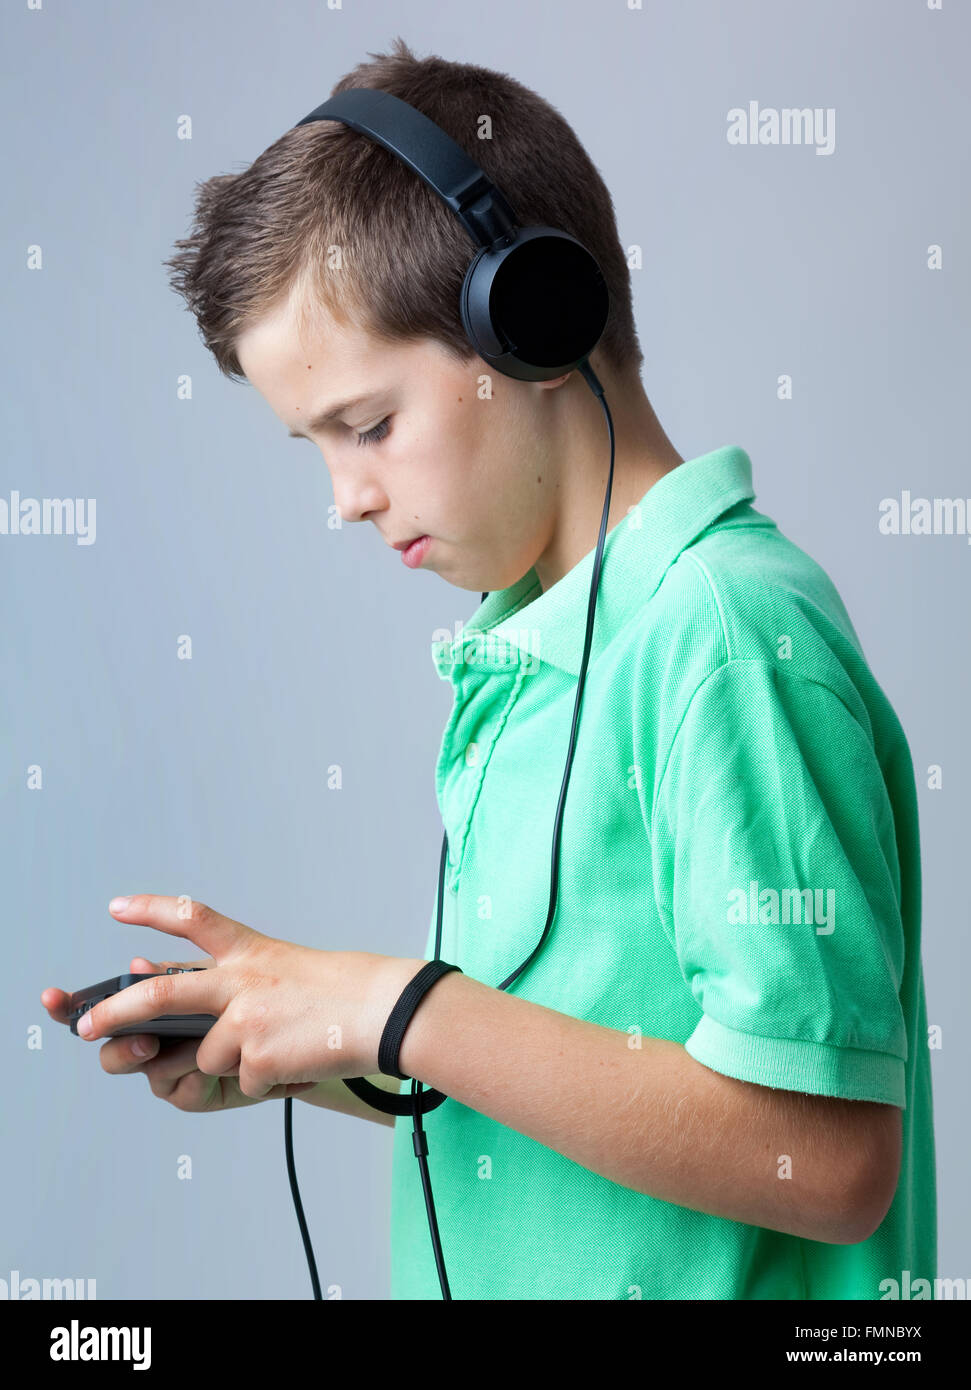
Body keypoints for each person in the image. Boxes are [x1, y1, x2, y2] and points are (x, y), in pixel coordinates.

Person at [42, 38, 935, 1300]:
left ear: (531, 326)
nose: (344, 499)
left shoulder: (724, 638)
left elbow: (830, 1160)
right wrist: (315, 1040)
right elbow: (568, 1077)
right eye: (313, 446)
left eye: (366, 426)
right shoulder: (524, 651)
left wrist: (401, 1002)